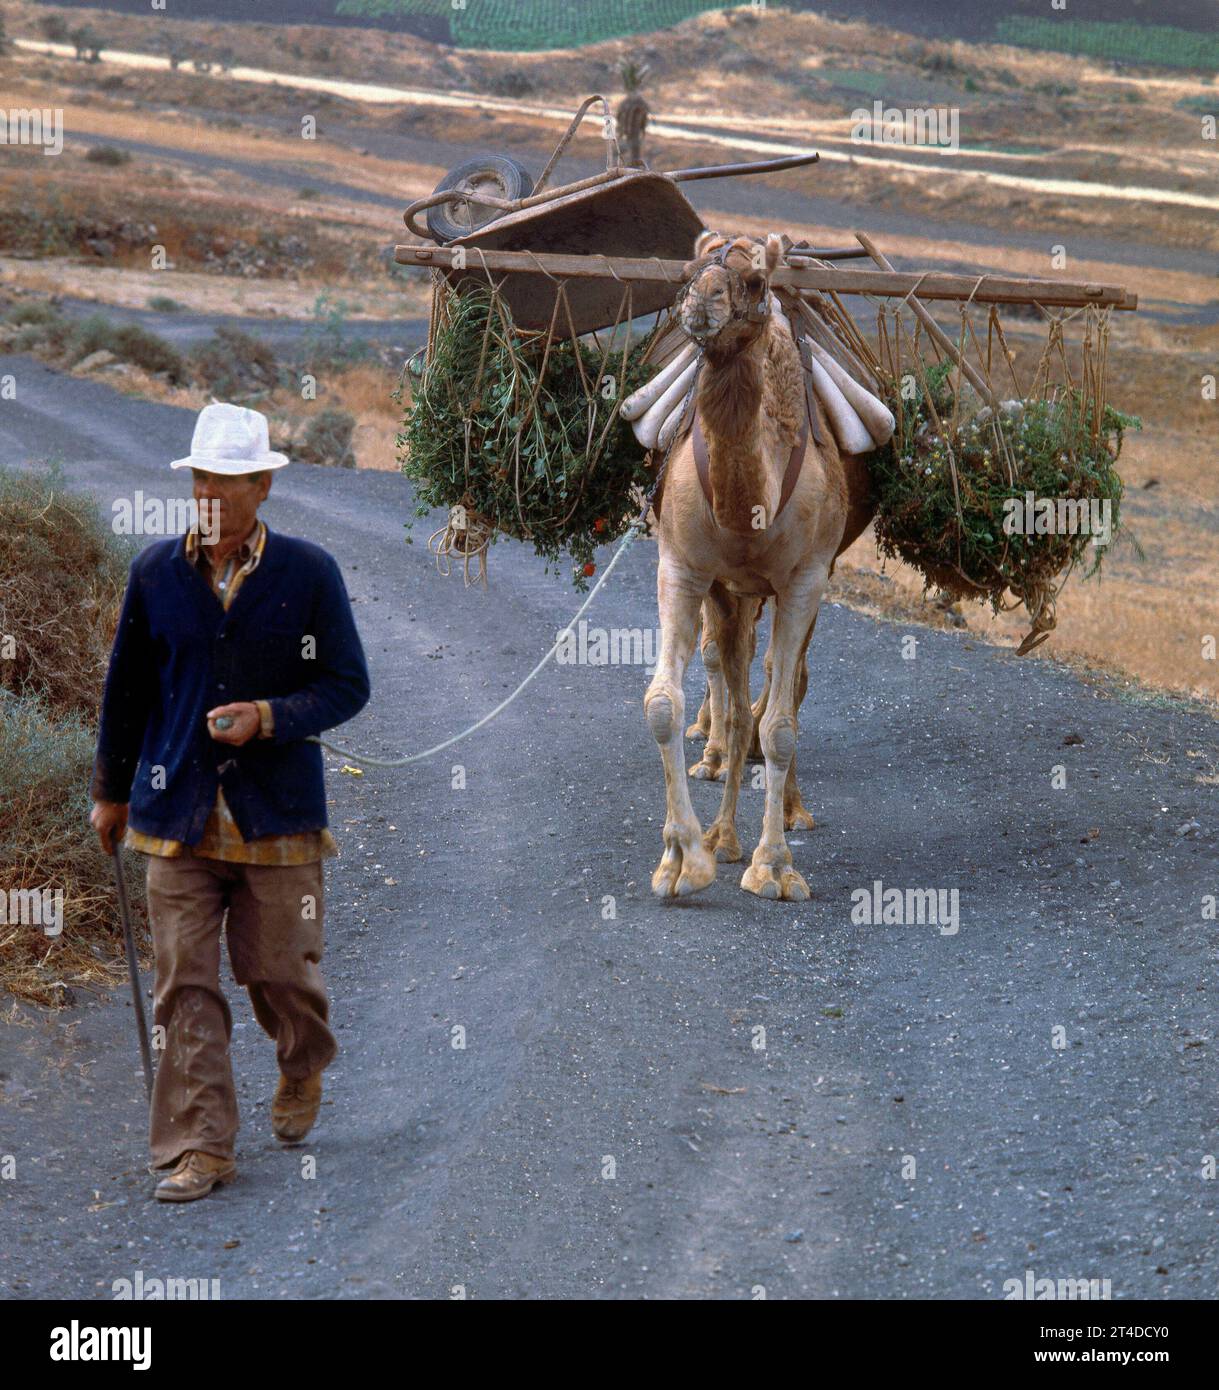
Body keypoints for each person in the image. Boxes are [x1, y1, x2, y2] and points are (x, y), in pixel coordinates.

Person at [90, 403, 371, 1202]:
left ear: (264, 486)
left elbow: (346, 685)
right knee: (184, 984)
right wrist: (111, 792)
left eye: (231, 478)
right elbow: (128, 692)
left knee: (281, 974)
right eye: (202, 476)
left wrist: (271, 718)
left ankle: (301, 1062)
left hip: (277, 816)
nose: (212, 491)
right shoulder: (154, 574)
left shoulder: (309, 573)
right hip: (173, 815)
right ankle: (199, 1146)